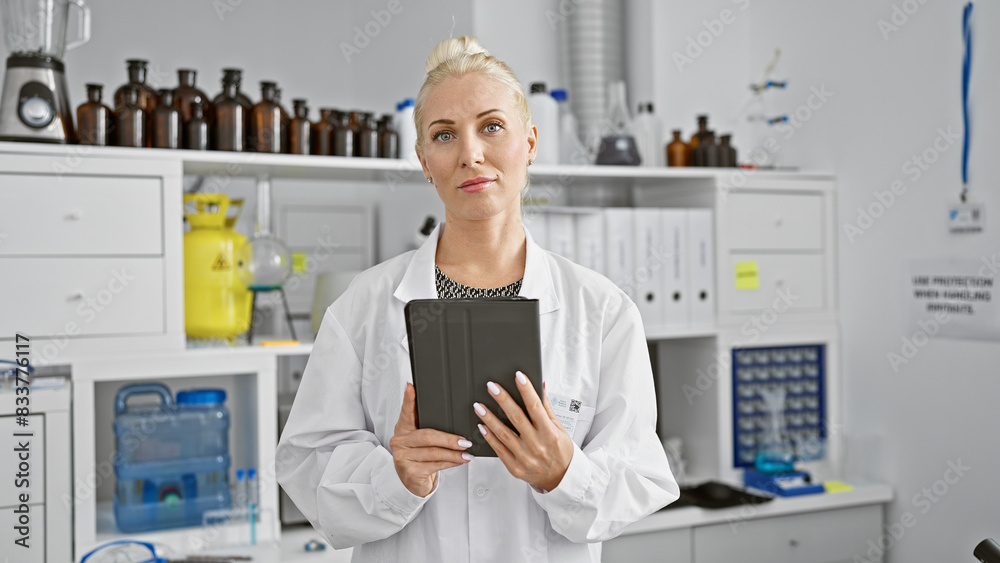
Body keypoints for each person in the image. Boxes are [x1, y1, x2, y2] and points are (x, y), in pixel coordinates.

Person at [275, 36, 678, 562]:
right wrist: (395, 477)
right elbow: (306, 462)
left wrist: (564, 474)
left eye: (492, 127)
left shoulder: (602, 311)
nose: (471, 154)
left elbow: (640, 475)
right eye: (444, 136)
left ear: (529, 142)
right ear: (423, 160)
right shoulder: (364, 306)